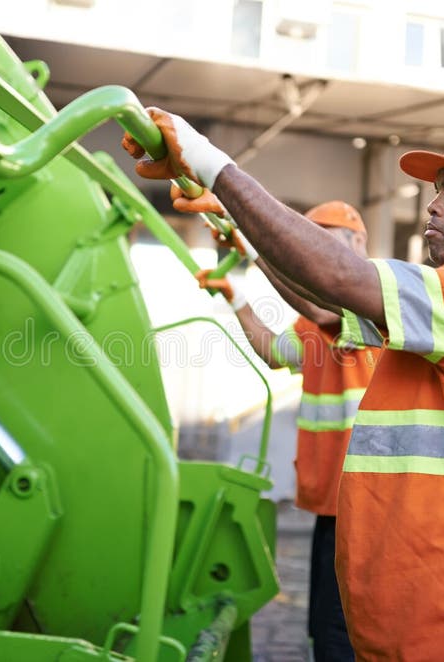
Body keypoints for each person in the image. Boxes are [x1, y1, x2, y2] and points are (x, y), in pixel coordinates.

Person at [123, 115, 444, 660]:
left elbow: (336, 280)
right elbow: (324, 302)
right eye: (436, 190)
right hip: (414, 605)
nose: (433, 204)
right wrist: (242, 227)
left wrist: (214, 167)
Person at [189, 191, 379, 661]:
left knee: (343, 631)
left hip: (365, 499)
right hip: (331, 500)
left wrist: (254, 243)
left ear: (357, 247)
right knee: (323, 627)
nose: (309, 256)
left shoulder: (364, 306)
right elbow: (276, 352)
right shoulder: (318, 320)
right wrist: (235, 298)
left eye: (320, 244)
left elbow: (320, 307)